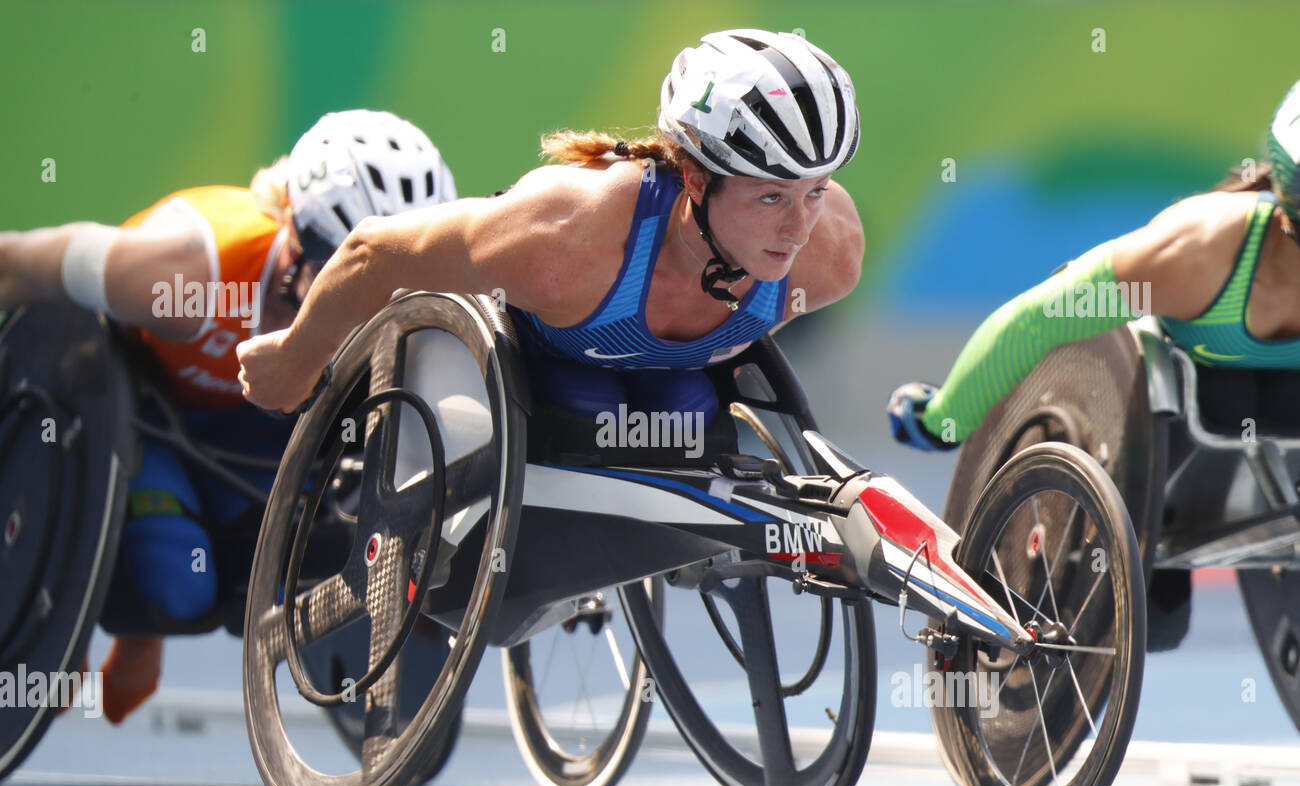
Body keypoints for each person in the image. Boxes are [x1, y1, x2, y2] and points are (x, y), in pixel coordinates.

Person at [0, 109, 456, 722]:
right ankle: (134, 632)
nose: (372, 310)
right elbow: (17, 265)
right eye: (355, 277)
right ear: (297, 242)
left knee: (304, 567)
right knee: (179, 585)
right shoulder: (187, 273)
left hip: (260, 433)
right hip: (146, 424)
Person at [236, 28, 865, 447]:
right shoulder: (565, 236)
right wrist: (296, 358)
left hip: (661, 385)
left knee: (684, 415)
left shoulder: (830, 258)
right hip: (528, 361)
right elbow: (369, 253)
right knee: (586, 405)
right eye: (770, 198)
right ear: (697, 182)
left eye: (816, 191)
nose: (800, 227)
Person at [888, 79, 1300, 451]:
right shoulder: (1195, 254)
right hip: (1171, 441)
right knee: (1228, 398)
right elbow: (1039, 319)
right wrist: (943, 419)